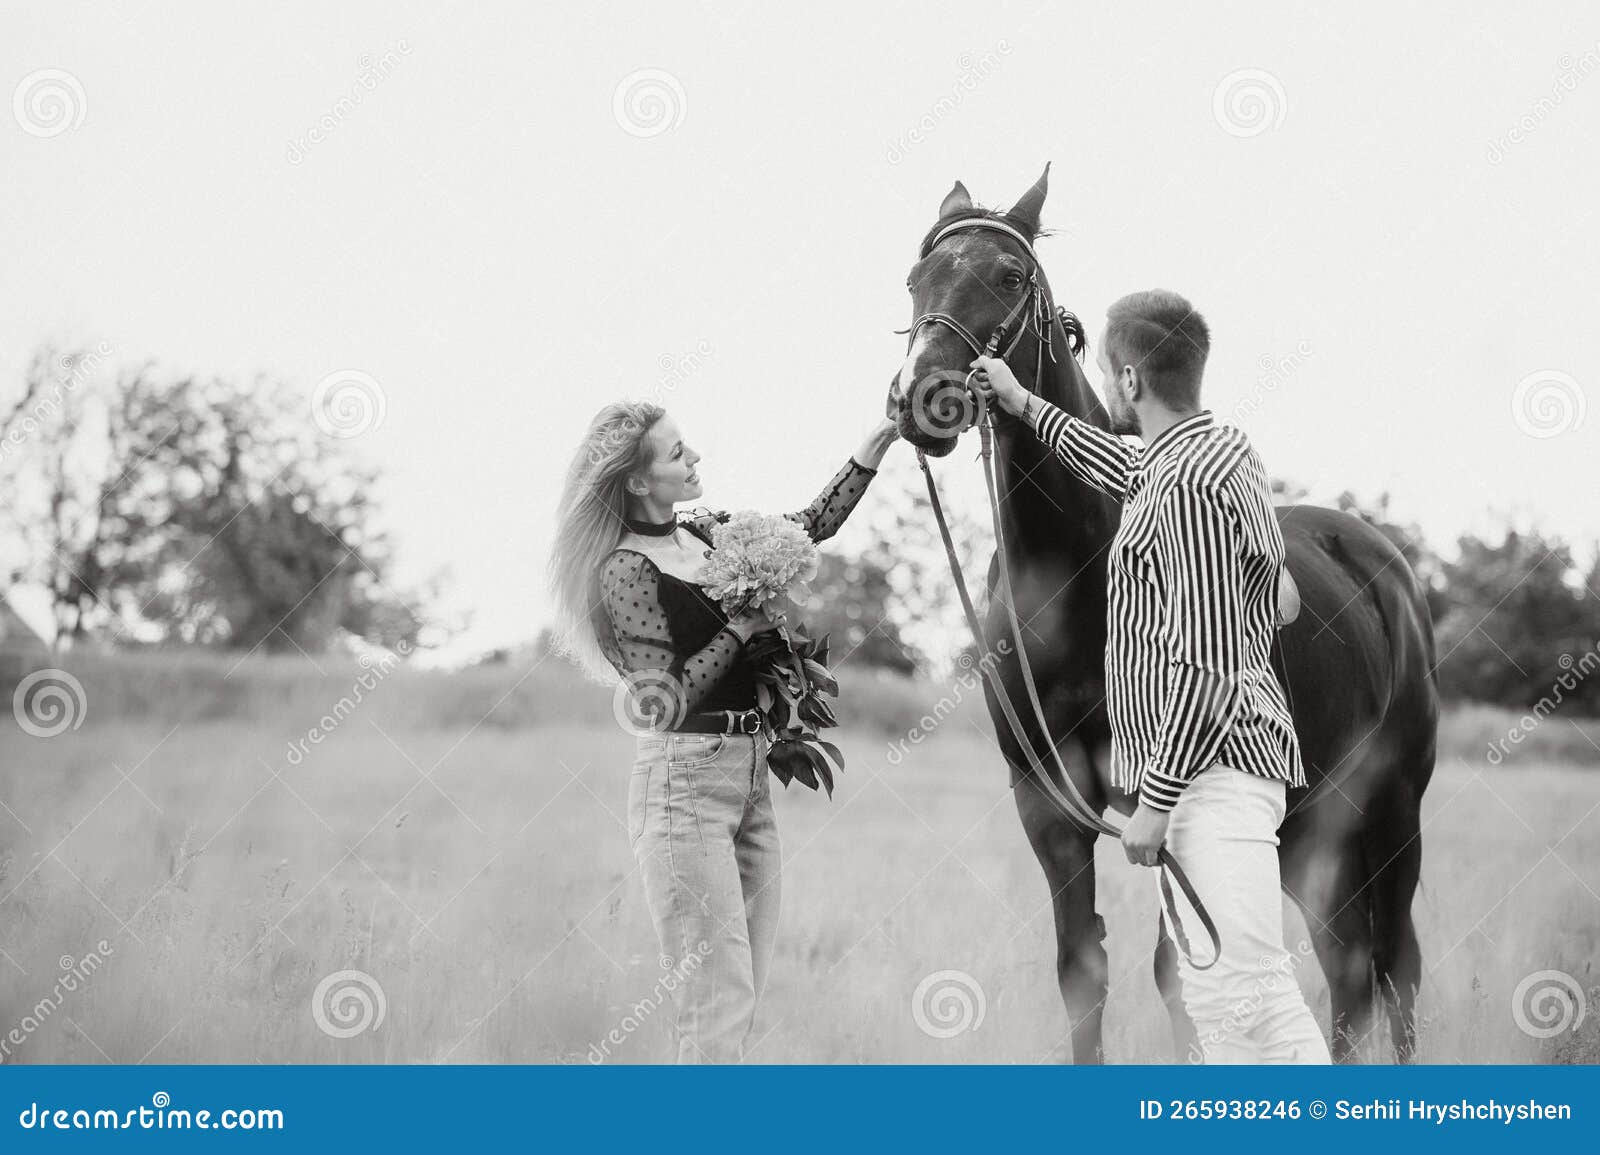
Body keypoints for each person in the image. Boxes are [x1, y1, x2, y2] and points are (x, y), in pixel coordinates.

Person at [971, 289, 1330, 1064]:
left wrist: (1155, 803)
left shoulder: (1187, 487)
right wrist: (1024, 402)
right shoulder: (1216, 451)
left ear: (1130, 381)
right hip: (1222, 773)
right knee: (1227, 996)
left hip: (1211, 779)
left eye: (1105, 374)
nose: (1105, 390)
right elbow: (1131, 466)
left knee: (1249, 999)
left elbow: (1203, 665)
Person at [548, 400, 899, 1062]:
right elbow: (662, 699)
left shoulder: (709, 532)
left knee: (741, 993)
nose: (696, 458)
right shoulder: (622, 571)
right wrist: (742, 625)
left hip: (748, 775)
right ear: (637, 480)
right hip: (684, 782)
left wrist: (878, 441)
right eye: (677, 453)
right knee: (717, 996)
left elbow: (808, 527)